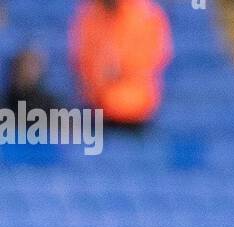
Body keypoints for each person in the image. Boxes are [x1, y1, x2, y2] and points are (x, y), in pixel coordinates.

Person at [70, 0, 173, 132]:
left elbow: (151, 60)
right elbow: (81, 59)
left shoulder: (144, 15)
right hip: (95, 109)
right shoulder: (88, 15)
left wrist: (118, 68)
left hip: (135, 112)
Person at [2, 48, 60, 117]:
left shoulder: (50, 105)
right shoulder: (4, 102)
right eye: (22, 65)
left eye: (32, 65)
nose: (26, 70)